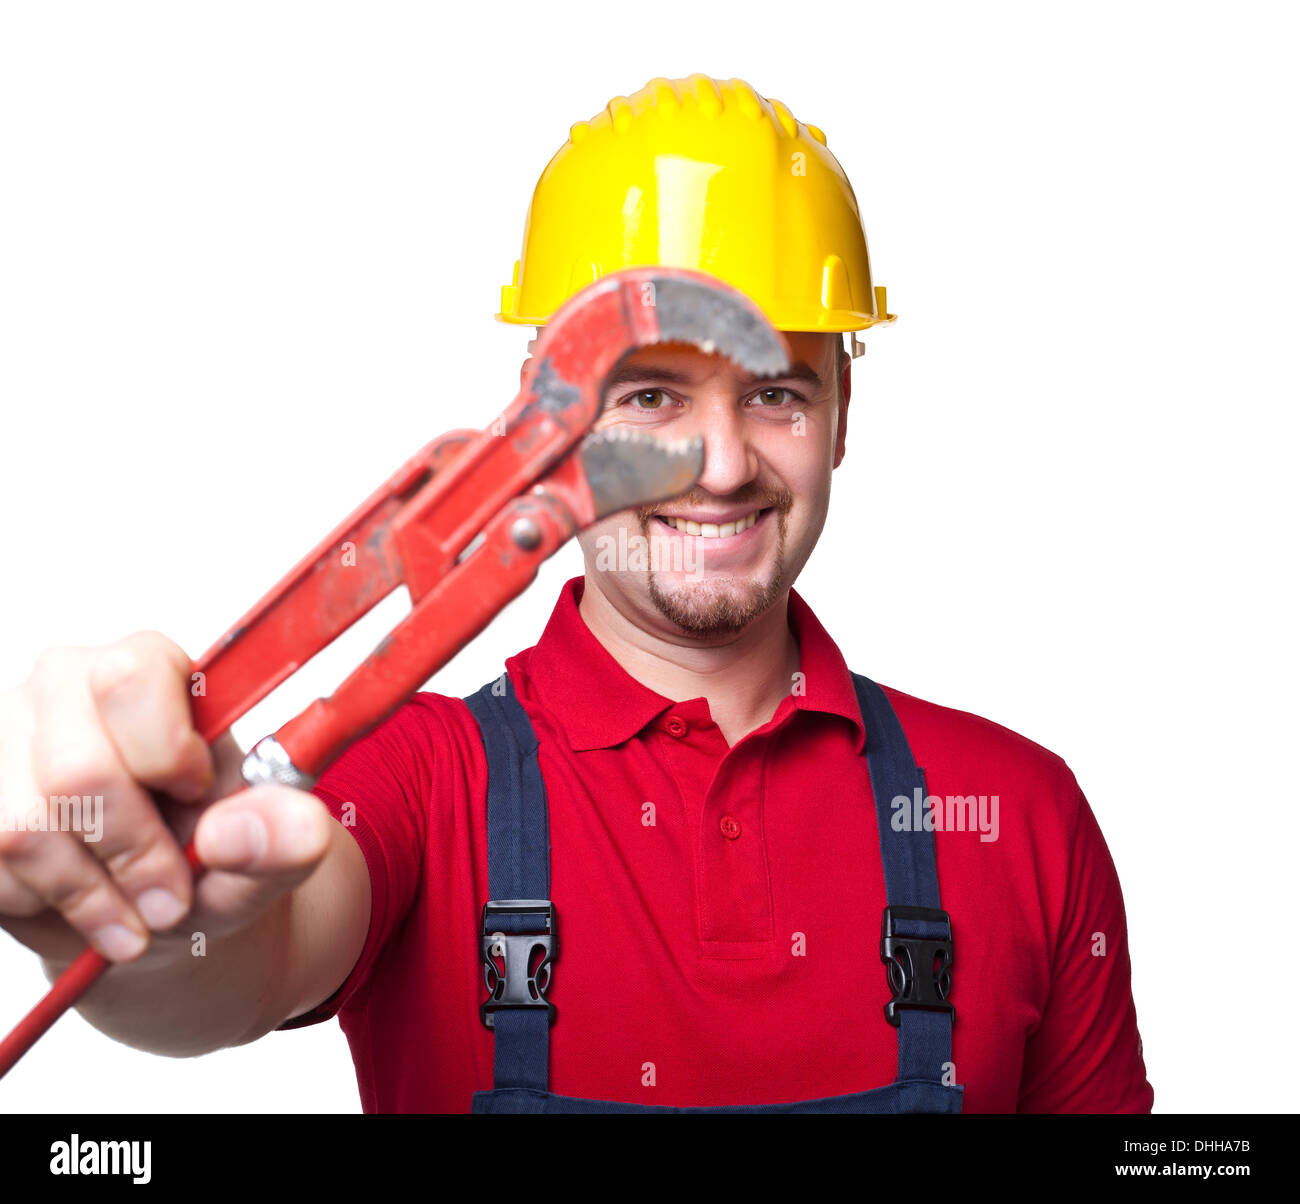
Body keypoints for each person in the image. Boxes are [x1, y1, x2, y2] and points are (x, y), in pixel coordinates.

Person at [0, 74, 1153, 1113]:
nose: (722, 464)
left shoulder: (1019, 811)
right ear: (542, 421)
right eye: (651, 397)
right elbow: (242, 961)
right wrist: (150, 942)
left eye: (776, 395)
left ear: (843, 412)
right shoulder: (419, 781)